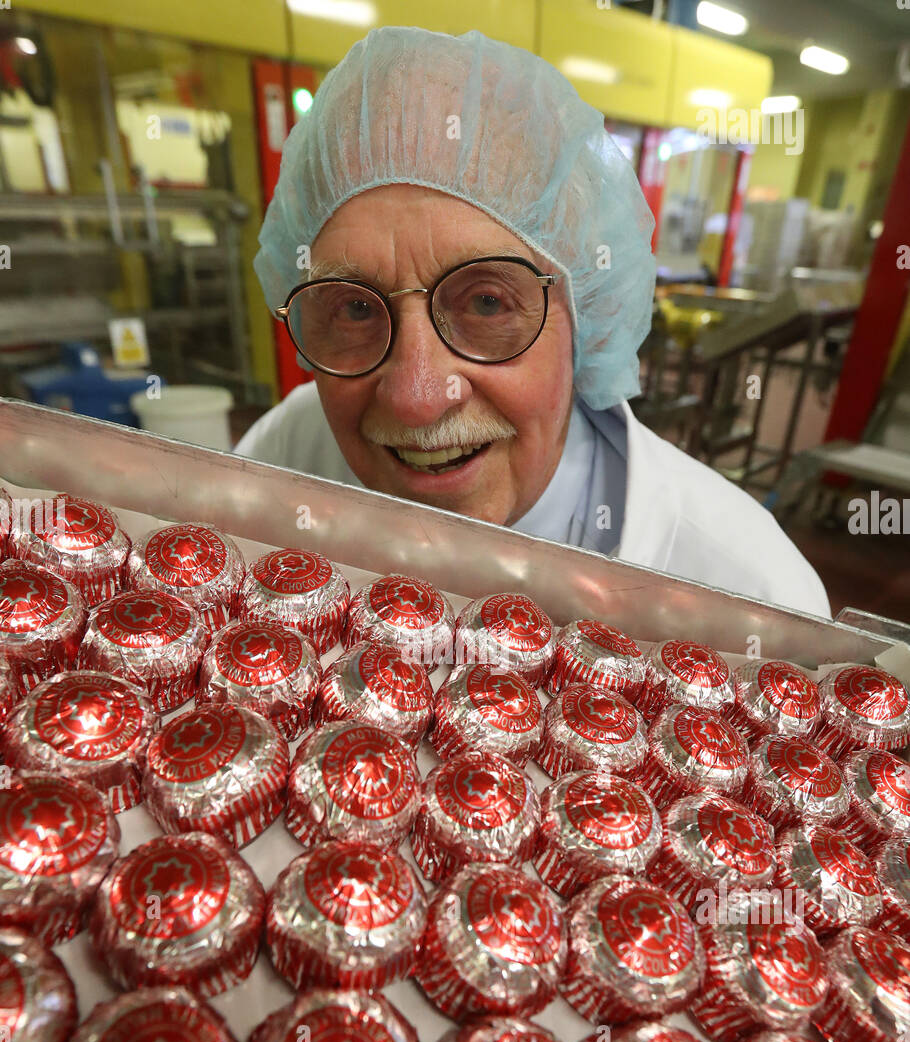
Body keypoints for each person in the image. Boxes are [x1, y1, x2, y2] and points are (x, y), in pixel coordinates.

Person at [237, 25, 831, 620]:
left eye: (487, 303)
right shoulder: (283, 455)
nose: (418, 398)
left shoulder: (751, 596)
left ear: (586, 315)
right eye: (357, 308)